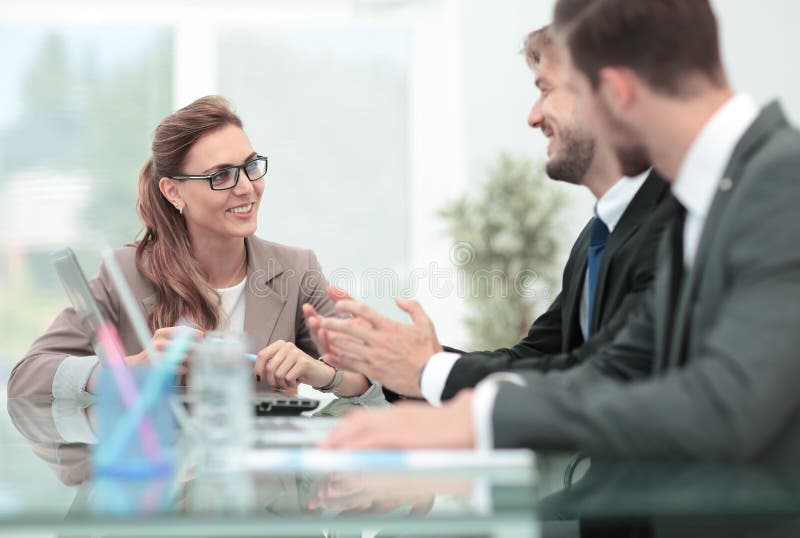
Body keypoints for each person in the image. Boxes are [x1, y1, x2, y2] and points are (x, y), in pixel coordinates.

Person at [319, 0, 800, 462]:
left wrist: (480, 418)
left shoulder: (780, 181)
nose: (535, 116)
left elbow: (726, 404)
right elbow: (616, 369)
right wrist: (443, 386)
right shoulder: (709, 199)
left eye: (570, 93)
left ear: (618, 92)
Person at [303, 25, 674, 404]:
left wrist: (427, 369)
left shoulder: (675, 228)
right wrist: (398, 360)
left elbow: (597, 376)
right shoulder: (598, 235)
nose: (533, 117)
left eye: (544, 90)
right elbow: (537, 359)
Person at [7, 96, 375, 400]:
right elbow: (27, 377)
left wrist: (322, 374)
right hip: (166, 483)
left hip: (266, 485)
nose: (246, 187)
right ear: (173, 191)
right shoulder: (124, 274)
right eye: (221, 175)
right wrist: (133, 368)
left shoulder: (296, 269)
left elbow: (367, 377)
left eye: (251, 167)